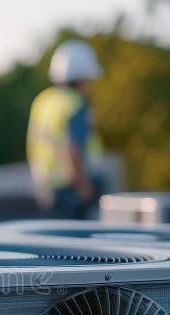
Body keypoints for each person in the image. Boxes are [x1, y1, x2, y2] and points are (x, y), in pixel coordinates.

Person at [26, 40, 105, 219]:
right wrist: (84, 188)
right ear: (82, 78)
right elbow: (71, 148)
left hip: (45, 192)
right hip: (72, 192)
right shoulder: (74, 104)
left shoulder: (42, 101)